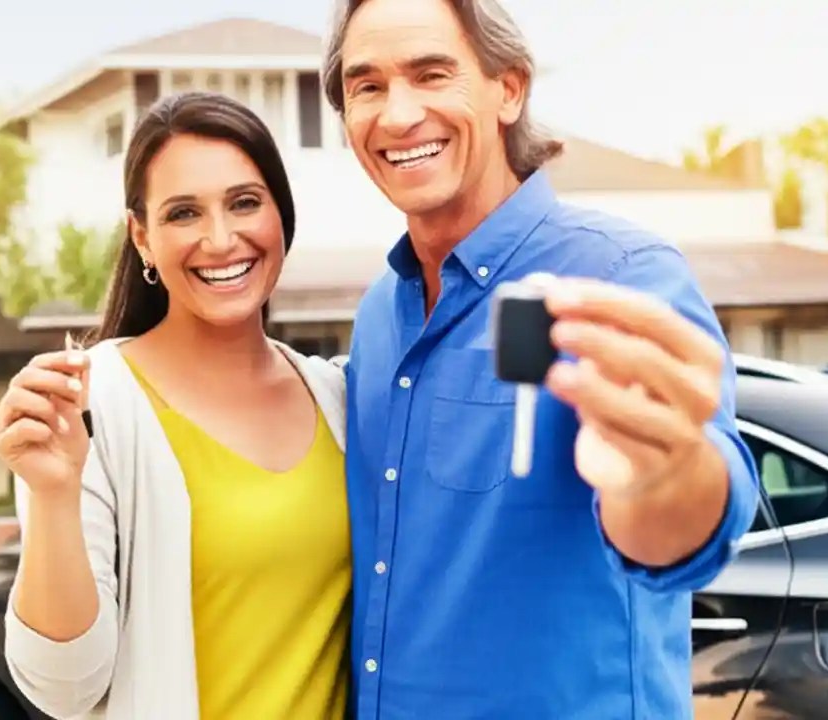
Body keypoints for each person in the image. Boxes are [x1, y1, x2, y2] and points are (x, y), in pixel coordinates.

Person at [321, 0, 761, 717]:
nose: (398, 115)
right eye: (366, 86)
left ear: (509, 89)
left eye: (432, 74)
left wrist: (666, 477)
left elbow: (687, 525)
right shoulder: (379, 314)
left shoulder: (619, 275)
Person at [0, 92, 351, 720]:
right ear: (143, 238)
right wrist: (53, 495)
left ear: (280, 216)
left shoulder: (339, 396)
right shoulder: (93, 402)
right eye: (184, 213)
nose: (220, 238)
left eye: (244, 202)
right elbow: (63, 688)